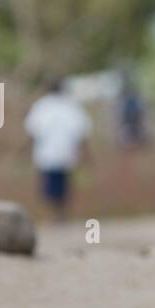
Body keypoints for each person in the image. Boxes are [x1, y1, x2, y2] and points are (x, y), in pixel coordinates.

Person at [23, 77, 92, 222]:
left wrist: (24, 150)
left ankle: (56, 215)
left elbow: (32, 132)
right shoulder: (71, 106)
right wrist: (86, 154)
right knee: (64, 185)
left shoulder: (41, 106)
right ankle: (61, 215)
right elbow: (82, 132)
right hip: (66, 153)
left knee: (51, 186)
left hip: (47, 154)